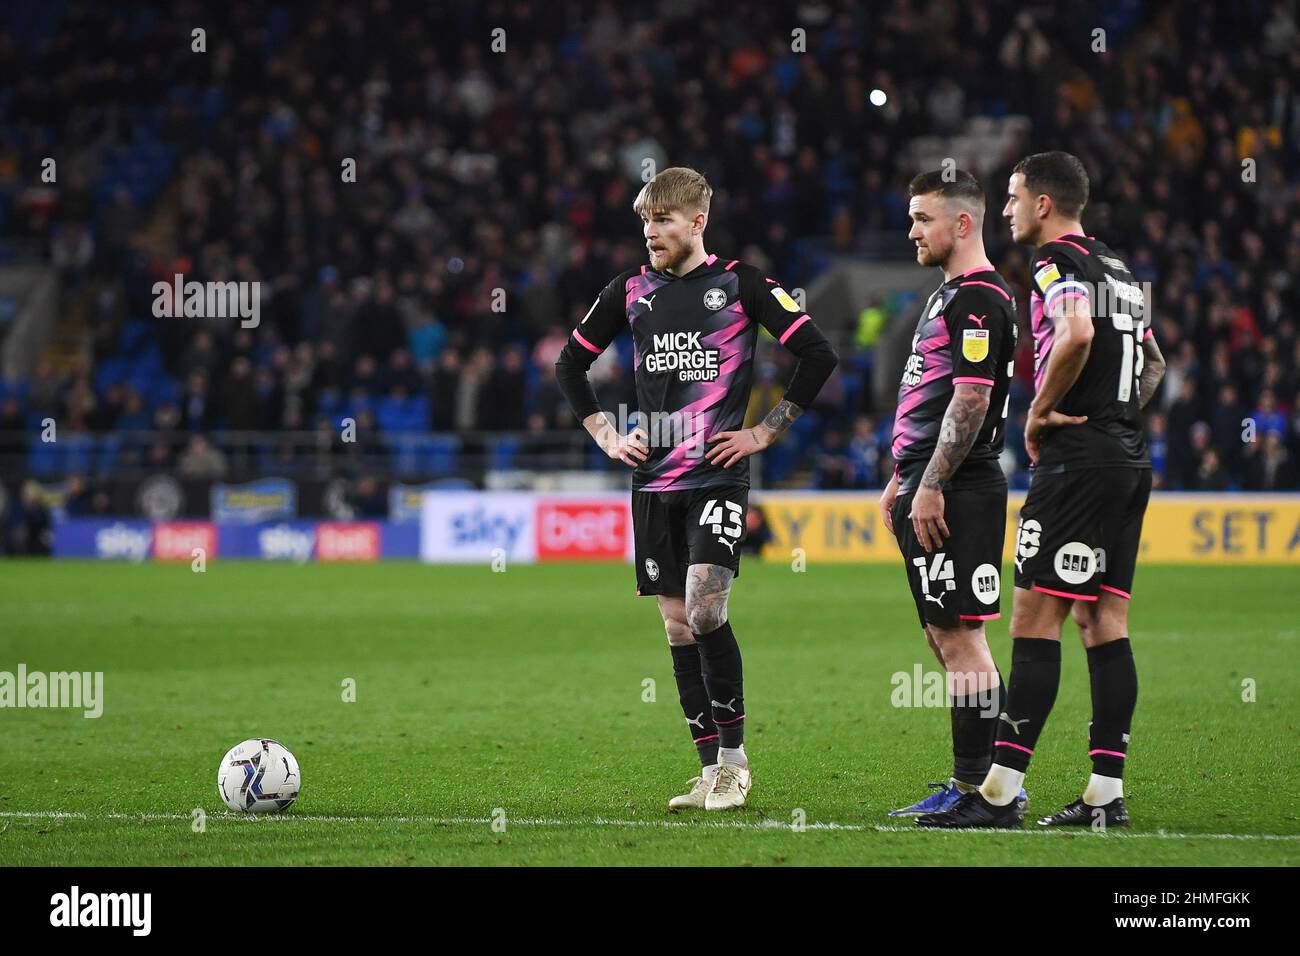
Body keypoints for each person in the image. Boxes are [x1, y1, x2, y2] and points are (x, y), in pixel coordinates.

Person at [555, 167, 837, 811]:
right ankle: (708, 767)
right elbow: (571, 363)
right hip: (653, 481)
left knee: (708, 610)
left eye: (663, 221)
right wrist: (604, 433)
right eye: (646, 222)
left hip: (717, 475)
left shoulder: (743, 286)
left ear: (697, 222)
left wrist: (766, 432)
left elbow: (818, 354)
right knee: (679, 628)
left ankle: (736, 765)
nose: (651, 233)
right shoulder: (629, 292)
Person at [919, 151, 1166, 829]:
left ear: (1044, 205)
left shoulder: (1056, 262)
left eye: (1012, 197)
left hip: (1077, 461)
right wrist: (1116, 422)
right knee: (1103, 620)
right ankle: (1104, 793)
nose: (1006, 210)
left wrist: (1042, 411)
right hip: (1127, 456)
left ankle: (997, 793)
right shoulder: (1119, 268)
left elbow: (1077, 332)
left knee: (1035, 619)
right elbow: (1152, 363)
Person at [879, 169, 1021, 818]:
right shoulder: (949, 296)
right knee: (945, 637)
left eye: (922, 218)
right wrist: (903, 478)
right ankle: (987, 787)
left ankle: (985, 793)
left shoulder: (980, 299)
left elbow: (971, 398)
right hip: (929, 482)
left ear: (961, 224)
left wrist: (931, 483)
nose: (912, 230)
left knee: (962, 639)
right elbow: (930, 396)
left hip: (958, 488)